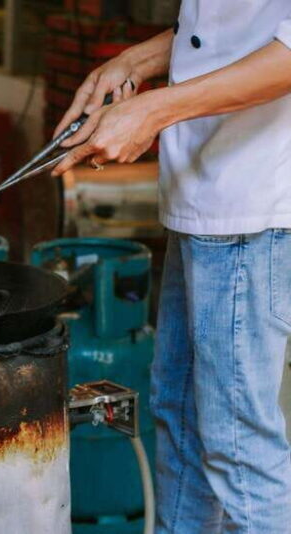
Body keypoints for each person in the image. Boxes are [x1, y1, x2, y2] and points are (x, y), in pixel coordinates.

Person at [52, 2, 291, 532]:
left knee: (239, 446)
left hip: (248, 203)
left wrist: (153, 111)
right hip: (203, 196)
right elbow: (229, 24)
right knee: (179, 417)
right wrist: (136, 62)